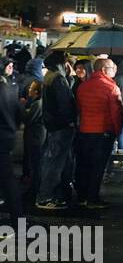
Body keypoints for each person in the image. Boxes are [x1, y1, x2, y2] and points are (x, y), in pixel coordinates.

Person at [73, 57, 122, 211]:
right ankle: (93, 198)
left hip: (84, 131)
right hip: (103, 133)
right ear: (103, 70)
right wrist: (117, 131)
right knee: (98, 167)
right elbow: (116, 114)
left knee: (84, 165)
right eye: (111, 68)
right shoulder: (111, 88)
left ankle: (81, 197)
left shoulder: (83, 86)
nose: (114, 70)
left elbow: (79, 109)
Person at [34, 51, 77, 213]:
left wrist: (69, 78)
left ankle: (51, 194)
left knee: (55, 161)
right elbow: (65, 103)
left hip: (53, 125)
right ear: (62, 62)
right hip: (61, 126)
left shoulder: (50, 76)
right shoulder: (58, 79)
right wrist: (71, 120)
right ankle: (45, 197)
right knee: (55, 163)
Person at [0, 74, 22, 225]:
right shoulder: (11, 90)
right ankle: (17, 219)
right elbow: (19, 114)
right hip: (6, 138)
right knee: (9, 181)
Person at [20, 79, 46, 208]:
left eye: (31, 88)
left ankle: (34, 190)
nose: (28, 89)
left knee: (36, 165)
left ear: (36, 91)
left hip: (36, 138)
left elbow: (28, 119)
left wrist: (22, 108)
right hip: (36, 137)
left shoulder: (37, 104)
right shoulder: (37, 103)